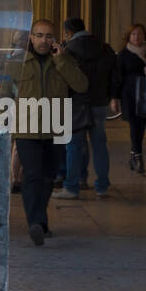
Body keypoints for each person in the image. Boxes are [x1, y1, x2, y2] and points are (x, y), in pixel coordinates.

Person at [14, 18, 87, 245]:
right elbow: (5, 92)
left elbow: (82, 85)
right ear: (31, 37)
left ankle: (40, 221)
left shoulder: (64, 60)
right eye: (39, 35)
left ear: (54, 40)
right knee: (33, 174)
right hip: (27, 129)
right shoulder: (19, 62)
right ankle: (35, 222)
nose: (43, 40)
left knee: (47, 177)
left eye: (48, 36)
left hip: (55, 128)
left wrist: (62, 60)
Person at [55, 18, 118, 200]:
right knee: (99, 144)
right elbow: (115, 74)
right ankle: (102, 186)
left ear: (68, 32)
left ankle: (72, 187)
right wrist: (113, 96)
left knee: (73, 146)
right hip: (99, 103)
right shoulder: (105, 49)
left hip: (76, 103)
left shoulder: (67, 50)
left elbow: (63, 77)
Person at [116, 22, 146, 174]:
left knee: (142, 124)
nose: (136, 37)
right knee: (134, 124)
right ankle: (137, 155)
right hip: (130, 95)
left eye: (139, 34)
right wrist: (115, 98)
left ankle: (134, 154)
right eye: (133, 34)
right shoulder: (123, 54)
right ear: (129, 37)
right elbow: (118, 77)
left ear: (144, 35)